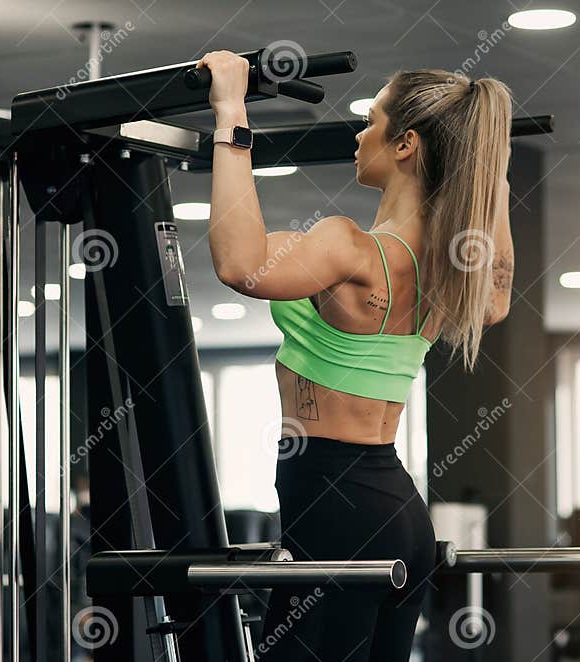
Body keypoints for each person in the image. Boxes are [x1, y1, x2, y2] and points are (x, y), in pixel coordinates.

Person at [197, 50, 515, 662]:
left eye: (371, 120)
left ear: (405, 145)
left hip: (337, 508)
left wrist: (230, 111)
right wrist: (492, 178)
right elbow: (495, 302)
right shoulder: (452, 270)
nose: (359, 132)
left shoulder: (351, 248)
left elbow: (240, 264)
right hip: (392, 508)